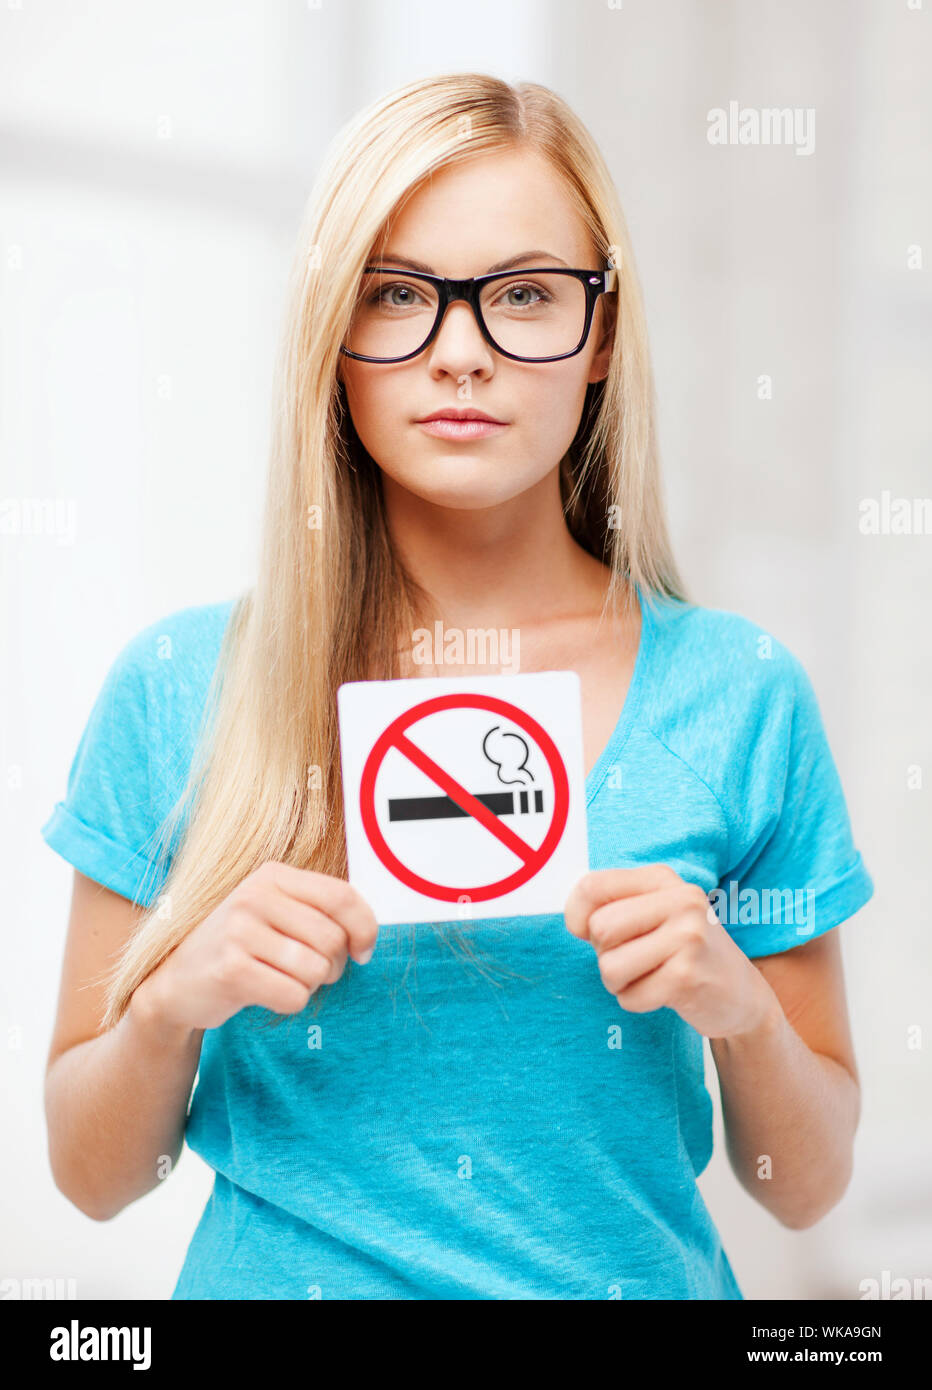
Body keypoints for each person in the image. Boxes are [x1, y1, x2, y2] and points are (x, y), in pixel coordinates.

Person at [41, 73, 873, 1300]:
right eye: (397, 295)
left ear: (598, 334)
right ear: (334, 331)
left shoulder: (737, 694)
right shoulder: (176, 688)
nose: (462, 353)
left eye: (524, 295)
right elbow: (91, 1174)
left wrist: (738, 1010)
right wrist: (174, 1004)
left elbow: (800, 1184)